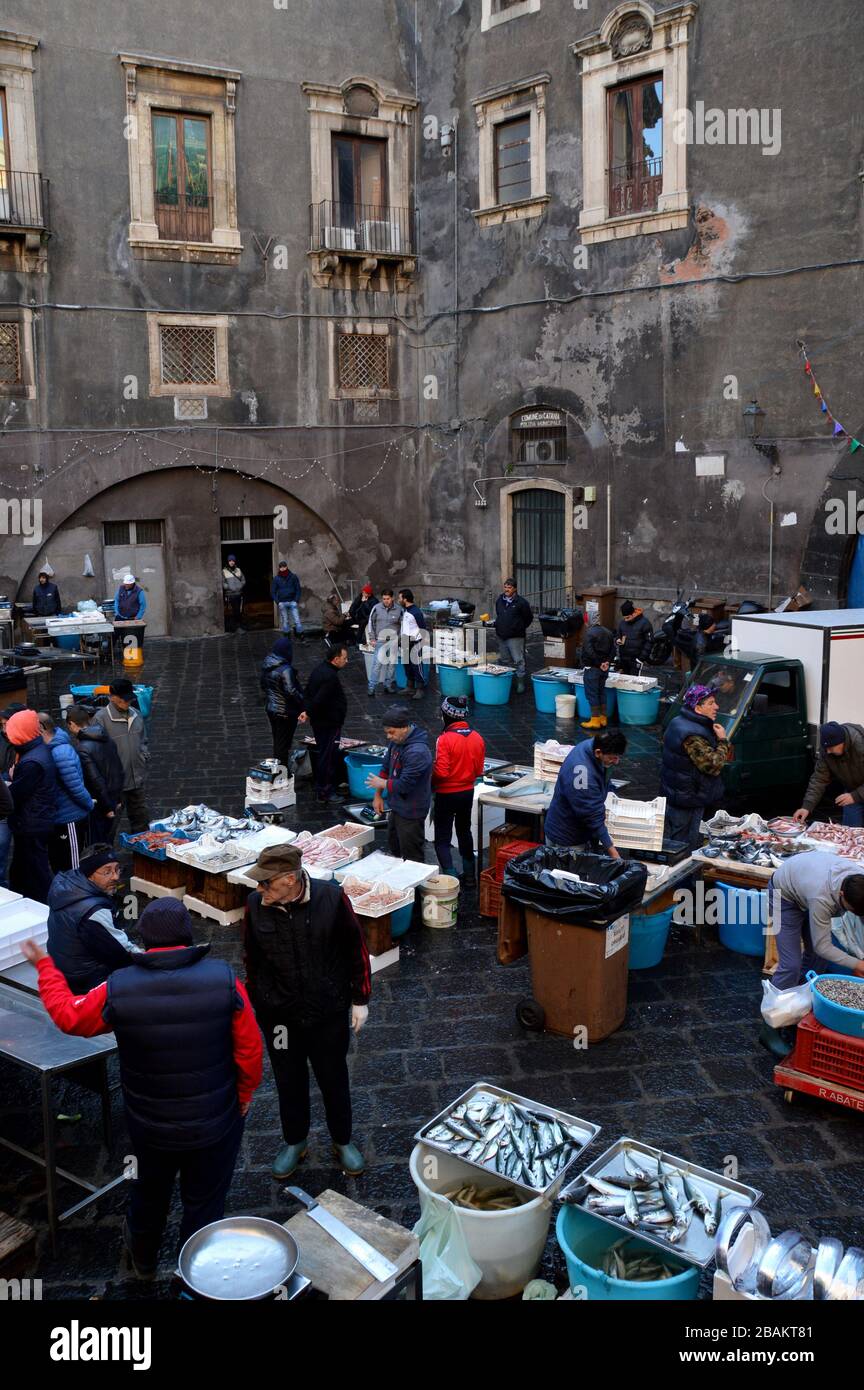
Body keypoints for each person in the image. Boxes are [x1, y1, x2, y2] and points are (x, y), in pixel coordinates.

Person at [25, 897, 262, 1278]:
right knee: (204, 1203)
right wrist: (245, 1093)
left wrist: (46, 967)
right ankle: (196, 1278)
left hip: (149, 1125)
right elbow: (249, 1050)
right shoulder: (223, 979)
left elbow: (69, 1017)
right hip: (215, 1122)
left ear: (145, 940)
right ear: (188, 934)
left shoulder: (119, 987)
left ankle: (143, 1262)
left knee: (149, 1192)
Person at [243, 844, 370, 1180]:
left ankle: (342, 1141)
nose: (259, 889)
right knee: (288, 1079)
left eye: (265, 883)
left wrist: (360, 999)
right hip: (280, 1019)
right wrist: (262, 1002)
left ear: (289, 879)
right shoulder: (255, 905)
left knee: (333, 1078)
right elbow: (251, 961)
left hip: (327, 1011)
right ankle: (295, 1142)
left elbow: (356, 948)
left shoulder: (331, 898)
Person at [760, 851, 864, 1056]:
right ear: (842, 896)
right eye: (851, 910)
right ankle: (769, 1028)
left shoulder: (859, 881)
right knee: (791, 964)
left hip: (806, 886)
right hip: (784, 895)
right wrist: (857, 964)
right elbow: (822, 945)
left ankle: (796, 1007)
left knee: (817, 961)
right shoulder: (822, 897)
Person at [46, 843, 141, 993]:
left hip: (62, 966)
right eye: (107, 872)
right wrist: (148, 960)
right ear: (90, 874)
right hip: (84, 979)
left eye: (117, 869)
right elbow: (120, 950)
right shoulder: (93, 911)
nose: (115, 876)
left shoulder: (66, 884)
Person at [660, 684, 730, 850]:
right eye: (711, 703)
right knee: (682, 848)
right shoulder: (692, 735)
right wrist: (723, 741)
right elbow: (713, 765)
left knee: (675, 842)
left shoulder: (678, 722)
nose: (717, 707)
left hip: (678, 794)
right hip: (687, 800)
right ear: (698, 708)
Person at [367, 705, 433, 864]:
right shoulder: (396, 742)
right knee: (394, 849)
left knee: (412, 856)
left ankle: (415, 888)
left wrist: (382, 783)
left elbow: (405, 785)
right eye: (387, 732)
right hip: (396, 806)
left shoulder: (417, 752)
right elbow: (385, 768)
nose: (388, 737)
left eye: (391, 732)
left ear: (404, 728)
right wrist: (377, 796)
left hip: (412, 810)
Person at [431, 696, 486, 886]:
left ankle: (451, 878)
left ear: (446, 715)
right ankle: (470, 876)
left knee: (442, 838)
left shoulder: (444, 739)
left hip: (446, 794)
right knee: (464, 831)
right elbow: (479, 771)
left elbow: (441, 772)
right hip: (467, 792)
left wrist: (431, 783)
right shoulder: (477, 737)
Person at [544, 730, 626, 857]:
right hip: (567, 840)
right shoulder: (582, 774)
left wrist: (611, 792)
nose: (616, 762)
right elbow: (591, 815)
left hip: (570, 827)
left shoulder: (591, 744)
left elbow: (603, 778)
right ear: (598, 753)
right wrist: (612, 852)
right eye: (612, 758)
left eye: (618, 757)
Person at [6, 708, 59, 901]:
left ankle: (46, 907)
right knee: (23, 868)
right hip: (35, 820)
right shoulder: (37, 749)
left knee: (36, 871)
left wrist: (11, 780)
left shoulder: (31, 762)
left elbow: (14, 795)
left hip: (32, 823)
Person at [92, 678, 150, 832]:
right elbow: (96, 752)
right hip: (116, 784)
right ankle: (106, 853)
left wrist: (143, 755)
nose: (128, 702)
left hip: (137, 779)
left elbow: (143, 740)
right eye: (124, 699)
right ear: (113, 697)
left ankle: (141, 853)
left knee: (141, 821)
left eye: (129, 698)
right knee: (111, 824)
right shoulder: (101, 719)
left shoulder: (136, 715)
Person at [39, 712, 93, 872]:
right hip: (60, 818)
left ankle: (78, 895)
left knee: (73, 866)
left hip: (69, 818)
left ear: (41, 728)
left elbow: (75, 787)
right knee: (60, 863)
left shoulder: (60, 753)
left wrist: (89, 804)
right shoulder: (51, 748)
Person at [65, 704, 125, 844]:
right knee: (108, 840)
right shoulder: (106, 738)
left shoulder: (82, 748)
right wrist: (118, 799)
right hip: (115, 797)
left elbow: (95, 780)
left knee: (98, 843)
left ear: (72, 724)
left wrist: (107, 807)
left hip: (101, 804)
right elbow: (118, 768)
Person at [793, 722, 864, 828]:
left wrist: (856, 796)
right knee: (850, 832)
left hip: (855, 794)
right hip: (851, 791)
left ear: (842, 741)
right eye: (826, 748)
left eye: (831, 747)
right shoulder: (827, 751)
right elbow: (819, 779)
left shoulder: (860, 744)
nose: (828, 751)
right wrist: (807, 806)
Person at [303, 643, 349, 804]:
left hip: (320, 721)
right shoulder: (330, 677)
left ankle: (321, 786)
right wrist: (308, 712)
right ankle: (325, 791)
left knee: (324, 753)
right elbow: (319, 698)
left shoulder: (319, 670)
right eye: (344, 658)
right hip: (329, 723)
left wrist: (307, 711)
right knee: (328, 757)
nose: (346, 661)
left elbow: (308, 693)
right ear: (336, 659)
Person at [259, 636, 308, 767]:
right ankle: (281, 772)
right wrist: (304, 704)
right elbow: (291, 691)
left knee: (278, 741)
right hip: (285, 712)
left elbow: (263, 685)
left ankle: (279, 769)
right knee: (283, 744)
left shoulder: (267, 665)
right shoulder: (286, 669)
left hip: (271, 709)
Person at [0, 702, 26, 888]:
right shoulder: (2, 739)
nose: (3, 727)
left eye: (6, 723)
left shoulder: (27, 743)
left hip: (21, 802)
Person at [494, 578, 533, 694]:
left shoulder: (522, 603)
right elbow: (499, 613)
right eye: (505, 587)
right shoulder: (499, 600)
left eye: (509, 587)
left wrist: (518, 627)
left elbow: (528, 618)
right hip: (501, 635)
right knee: (504, 659)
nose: (506, 589)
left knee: (518, 660)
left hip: (516, 636)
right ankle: (507, 681)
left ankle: (520, 682)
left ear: (515, 589)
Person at [580, 616, 616, 729]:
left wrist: (599, 663)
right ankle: (603, 718)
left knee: (592, 693)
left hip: (592, 668)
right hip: (604, 669)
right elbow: (613, 650)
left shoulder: (589, 634)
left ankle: (595, 720)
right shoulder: (608, 632)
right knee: (601, 692)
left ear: (588, 622)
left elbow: (589, 651)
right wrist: (607, 662)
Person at [366, 588, 401, 698]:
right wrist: (372, 638)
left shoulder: (399, 610)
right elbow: (371, 622)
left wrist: (399, 639)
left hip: (394, 641)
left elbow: (403, 625)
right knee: (377, 665)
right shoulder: (376, 608)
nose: (386, 601)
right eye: (384, 599)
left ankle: (388, 685)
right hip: (380, 641)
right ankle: (371, 687)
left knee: (391, 665)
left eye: (388, 599)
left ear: (392, 598)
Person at [398, 588, 428, 700]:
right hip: (406, 641)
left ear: (405, 599)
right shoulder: (405, 610)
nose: (398, 599)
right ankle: (410, 686)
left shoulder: (416, 612)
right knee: (407, 665)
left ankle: (420, 688)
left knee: (416, 665)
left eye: (400, 598)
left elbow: (422, 629)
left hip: (415, 642)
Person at [616, 600, 654, 675]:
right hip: (624, 660)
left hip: (636, 660)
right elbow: (618, 635)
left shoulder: (645, 623)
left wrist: (641, 658)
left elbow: (649, 641)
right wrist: (617, 640)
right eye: (624, 618)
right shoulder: (622, 623)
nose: (625, 620)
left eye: (628, 617)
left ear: (633, 614)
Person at [271, 561, 304, 640]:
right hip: (282, 602)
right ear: (279, 568)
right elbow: (273, 591)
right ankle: (287, 637)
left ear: (286, 567)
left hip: (292, 601)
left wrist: (296, 600)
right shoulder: (276, 579)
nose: (283, 568)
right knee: (285, 621)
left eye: (284, 567)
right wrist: (278, 602)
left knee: (297, 620)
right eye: (281, 567)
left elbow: (298, 589)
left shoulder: (293, 577)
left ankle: (300, 636)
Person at [222, 555, 245, 633]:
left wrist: (240, 586)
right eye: (230, 561)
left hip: (238, 593)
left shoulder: (238, 570)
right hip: (230, 594)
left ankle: (238, 627)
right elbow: (223, 582)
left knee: (238, 611)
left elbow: (243, 580)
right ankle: (232, 628)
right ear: (228, 561)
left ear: (235, 562)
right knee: (231, 611)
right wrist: (228, 587)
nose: (231, 562)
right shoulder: (224, 571)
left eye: (233, 561)